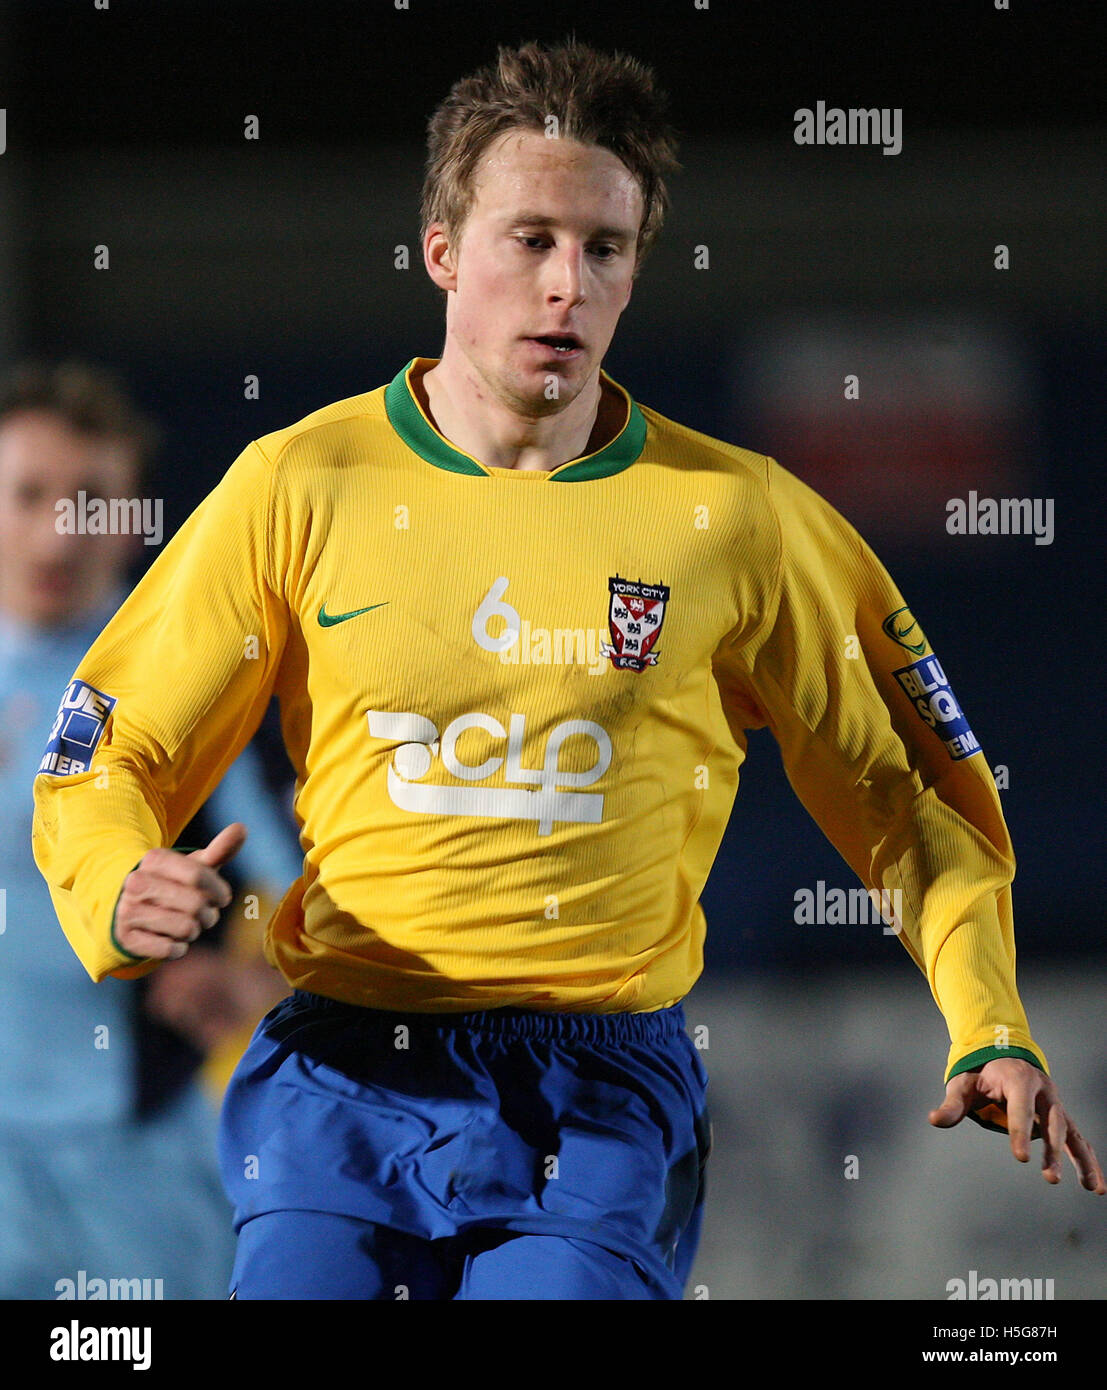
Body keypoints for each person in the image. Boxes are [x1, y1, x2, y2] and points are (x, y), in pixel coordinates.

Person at [31, 41, 1104, 1303]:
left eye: (604, 249)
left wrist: (988, 1019)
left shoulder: (739, 520)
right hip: (340, 1076)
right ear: (441, 251)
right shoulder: (297, 486)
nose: (566, 286)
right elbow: (110, 749)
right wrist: (114, 881)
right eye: (529, 239)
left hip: (595, 1097)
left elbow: (908, 801)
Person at [2, 361, 299, 1299]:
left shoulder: (176, 699)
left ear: (132, 522)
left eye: (90, 499)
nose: (58, 529)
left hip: (129, 1160)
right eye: (29, 494)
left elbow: (283, 900)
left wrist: (236, 975)